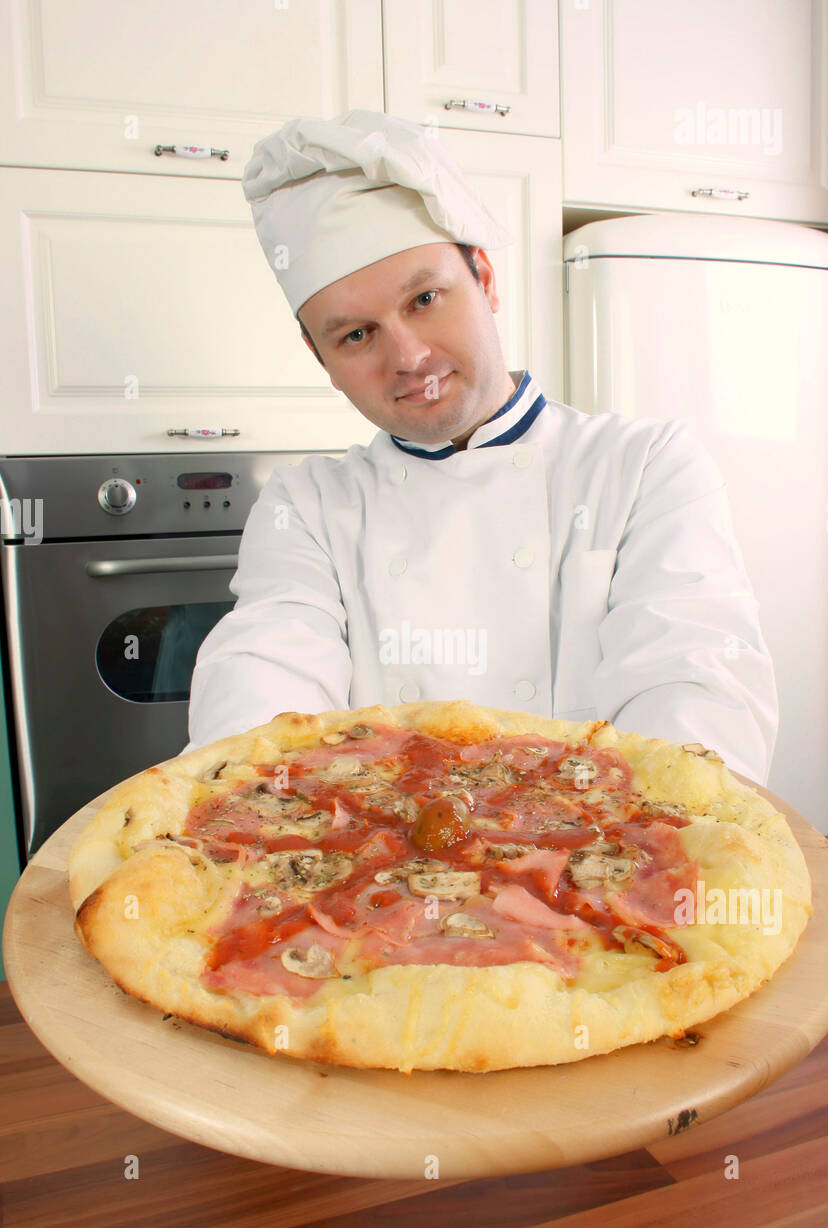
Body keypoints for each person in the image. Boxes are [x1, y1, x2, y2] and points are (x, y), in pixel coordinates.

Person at [182, 109, 779, 785]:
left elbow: (692, 678)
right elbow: (266, 670)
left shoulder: (644, 468)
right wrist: (234, 794)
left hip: (598, 868)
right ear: (318, 356)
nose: (408, 356)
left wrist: (662, 841)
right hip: (375, 878)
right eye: (355, 335)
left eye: (426, 298)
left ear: (486, 278)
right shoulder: (308, 506)